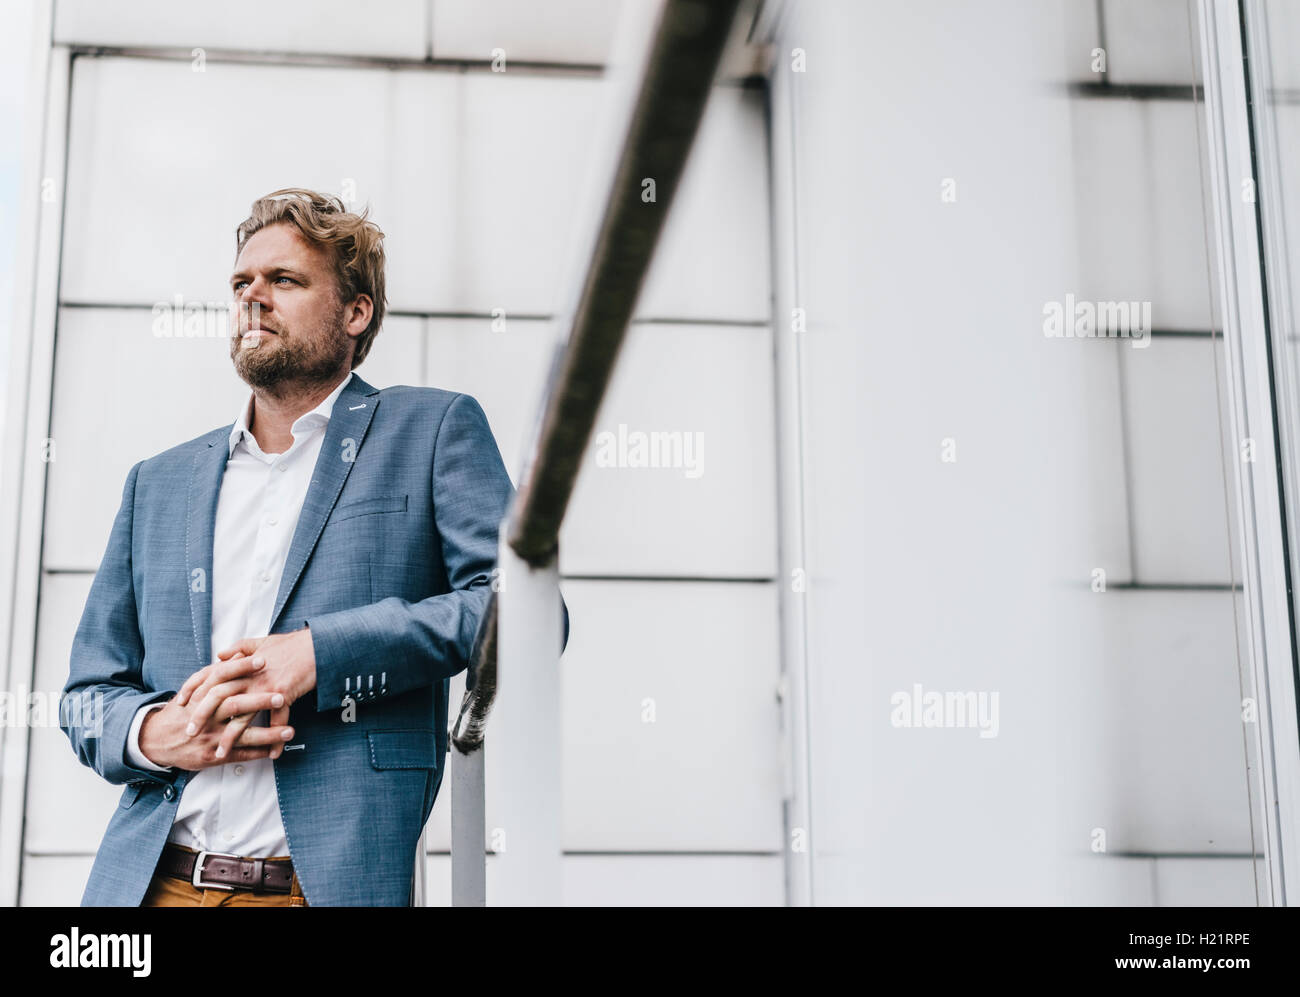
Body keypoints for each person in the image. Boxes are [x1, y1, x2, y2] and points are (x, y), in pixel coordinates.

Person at [60, 188, 569, 906]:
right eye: (242, 283)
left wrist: (320, 654)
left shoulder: (432, 431)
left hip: (323, 889)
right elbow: (85, 697)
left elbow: (527, 611)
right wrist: (152, 732)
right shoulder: (158, 483)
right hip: (150, 886)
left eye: (284, 280)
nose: (253, 297)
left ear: (356, 312)